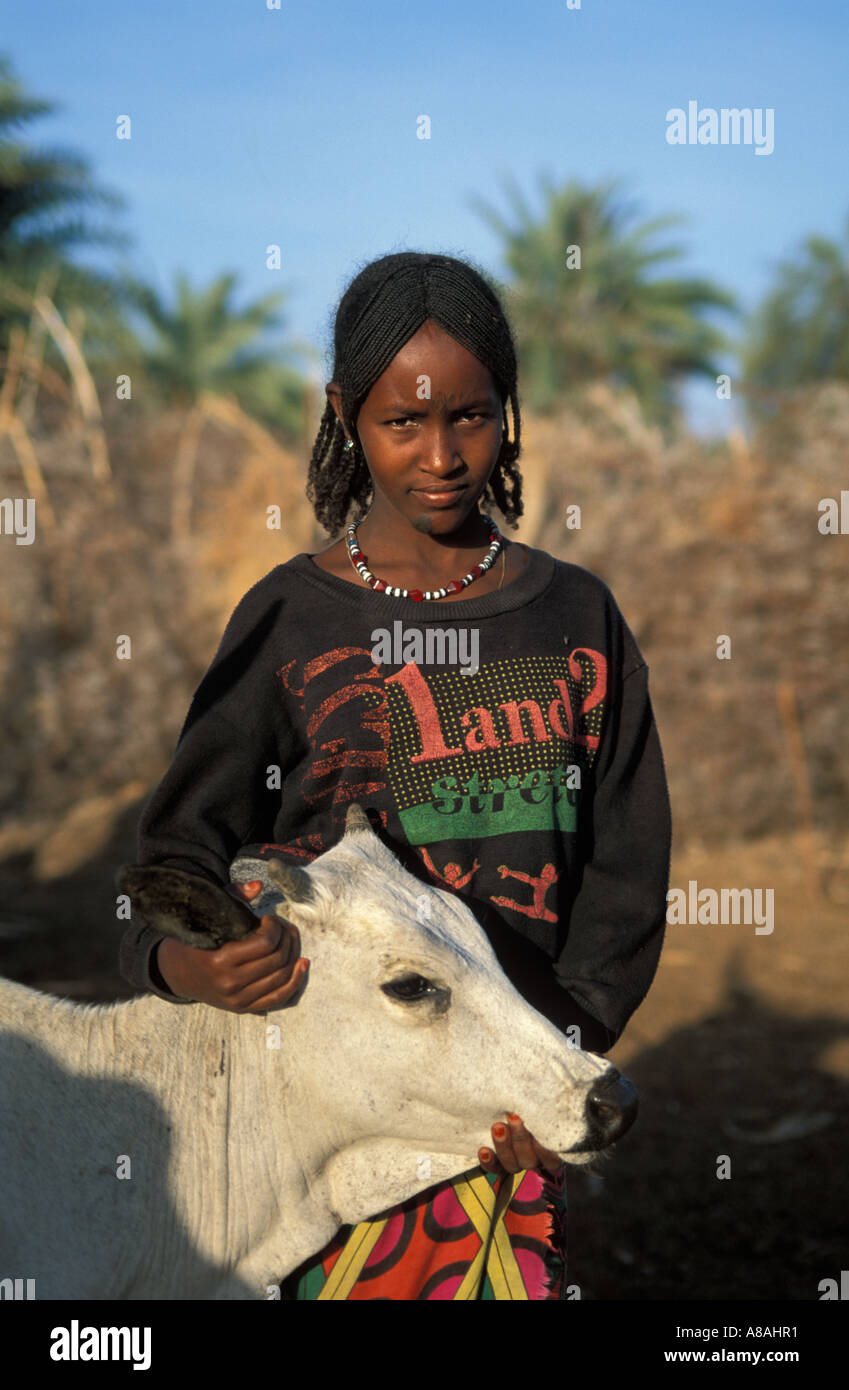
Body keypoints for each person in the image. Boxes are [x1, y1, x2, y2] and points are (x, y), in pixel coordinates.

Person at [119, 250, 672, 1300]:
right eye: (401, 422)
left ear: (508, 411)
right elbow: (178, 851)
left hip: (506, 1112)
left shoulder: (575, 615)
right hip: (325, 1119)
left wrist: (552, 1064)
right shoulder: (292, 617)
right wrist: (183, 966)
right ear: (344, 414)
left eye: (470, 416)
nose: (441, 454)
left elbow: (628, 866)